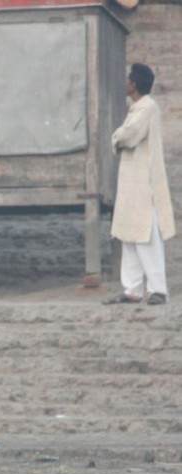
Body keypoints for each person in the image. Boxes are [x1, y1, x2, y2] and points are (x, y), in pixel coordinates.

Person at [105, 63, 175, 306]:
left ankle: (158, 289)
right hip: (132, 181)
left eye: (128, 79)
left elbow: (128, 135)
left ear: (133, 84)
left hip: (144, 181)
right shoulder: (138, 107)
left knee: (146, 235)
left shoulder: (147, 107)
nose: (125, 83)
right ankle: (132, 289)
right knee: (130, 235)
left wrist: (116, 137)